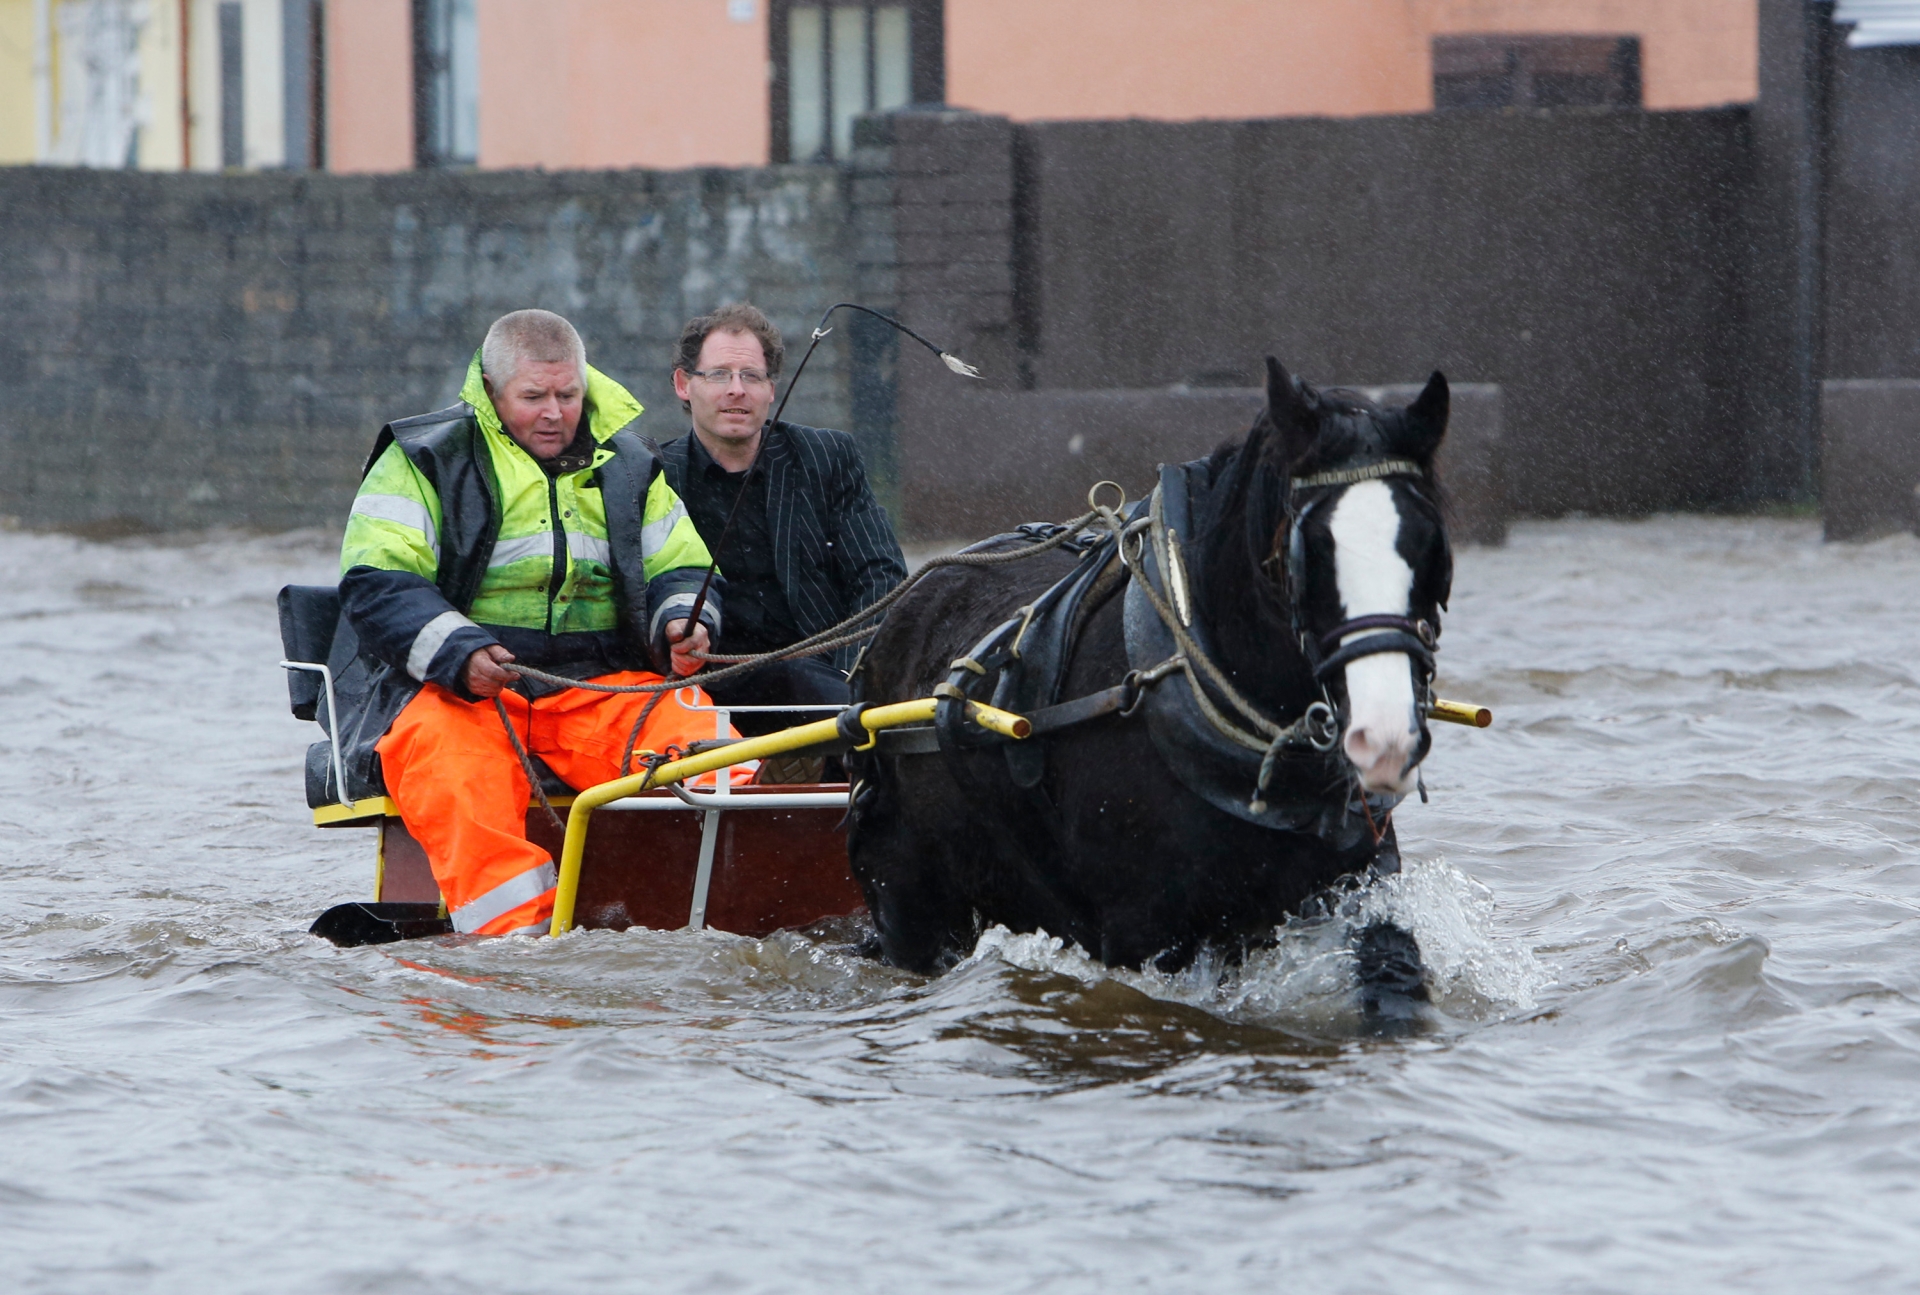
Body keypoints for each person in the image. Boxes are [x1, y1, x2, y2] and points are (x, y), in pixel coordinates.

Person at [336, 309, 731, 936]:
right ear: (492, 392)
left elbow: (681, 566)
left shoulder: (632, 463)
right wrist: (462, 653)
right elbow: (378, 583)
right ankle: (516, 952)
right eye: (533, 398)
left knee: (712, 749)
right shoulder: (422, 457)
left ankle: (713, 913)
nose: (554, 413)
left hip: (598, 686)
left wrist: (683, 622)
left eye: (567, 395)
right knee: (456, 773)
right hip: (456, 691)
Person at [657, 304, 907, 733]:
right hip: (701, 688)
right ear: (683, 384)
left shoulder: (827, 458)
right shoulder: (654, 476)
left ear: (771, 390)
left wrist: (852, 675)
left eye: (751, 377)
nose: (737, 390)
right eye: (719, 375)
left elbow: (880, 578)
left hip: (824, 680)